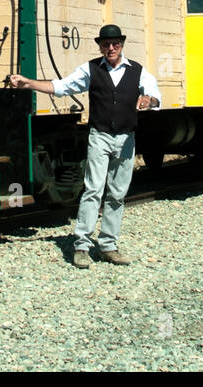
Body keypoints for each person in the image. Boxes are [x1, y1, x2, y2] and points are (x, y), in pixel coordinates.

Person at [9, 24, 161, 269]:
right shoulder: (91, 69)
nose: (110, 48)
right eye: (105, 44)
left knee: (118, 194)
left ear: (122, 45)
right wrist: (28, 83)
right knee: (93, 190)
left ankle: (108, 246)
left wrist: (148, 100)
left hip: (126, 139)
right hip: (99, 136)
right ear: (100, 46)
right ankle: (81, 246)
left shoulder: (138, 71)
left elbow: (155, 95)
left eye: (115, 44)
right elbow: (61, 86)